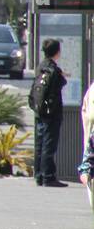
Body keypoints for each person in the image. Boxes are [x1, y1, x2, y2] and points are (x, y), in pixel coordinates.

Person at [30, 39, 67, 187]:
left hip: (40, 111)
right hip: (52, 112)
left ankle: (39, 175)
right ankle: (48, 176)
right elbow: (61, 83)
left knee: (40, 143)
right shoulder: (53, 69)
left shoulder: (41, 67)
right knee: (49, 144)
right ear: (57, 52)